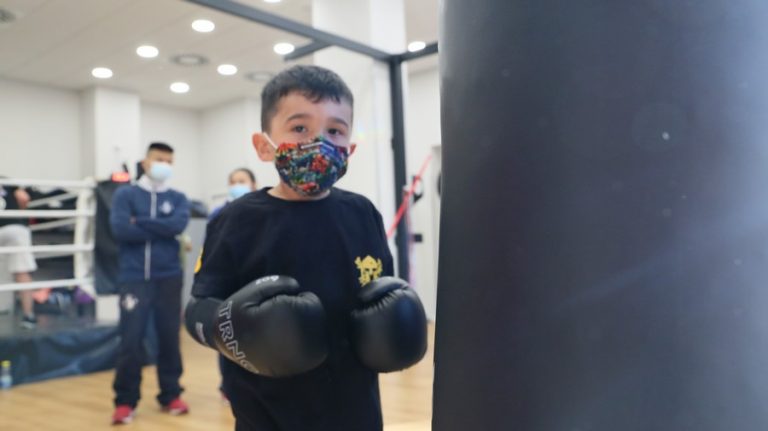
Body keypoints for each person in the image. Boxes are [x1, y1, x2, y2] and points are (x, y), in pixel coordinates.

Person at [184, 65, 427, 430]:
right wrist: (236, 331)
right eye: (300, 128)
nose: (319, 143)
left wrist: (395, 326)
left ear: (350, 148)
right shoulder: (236, 220)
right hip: (267, 414)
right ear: (264, 146)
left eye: (335, 130)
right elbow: (198, 310)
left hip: (355, 410)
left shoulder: (362, 214)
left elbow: (382, 291)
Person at [109, 142, 190, 425]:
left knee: (169, 338)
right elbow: (120, 229)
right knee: (130, 341)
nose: (164, 165)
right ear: (145, 162)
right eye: (159, 159)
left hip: (169, 277)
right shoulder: (125, 194)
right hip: (133, 278)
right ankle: (125, 401)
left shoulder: (178, 198)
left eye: (169, 160)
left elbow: (177, 227)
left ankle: (171, 394)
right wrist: (160, 225)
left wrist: (140, 222)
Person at [207, 167, 258, 402]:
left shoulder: (263, 211)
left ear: (253, 185)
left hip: (254, 281)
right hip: (228, 283)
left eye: (242, 180)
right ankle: (227, 385)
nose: (237, 184)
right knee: (227, 335)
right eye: (233, 181)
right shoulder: (218, 214)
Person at [0, 182, 38, 329]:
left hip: (8, 227)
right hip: (14, 227)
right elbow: (24, 198)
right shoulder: (6, 181)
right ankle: (28, 315)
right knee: (21, 271)